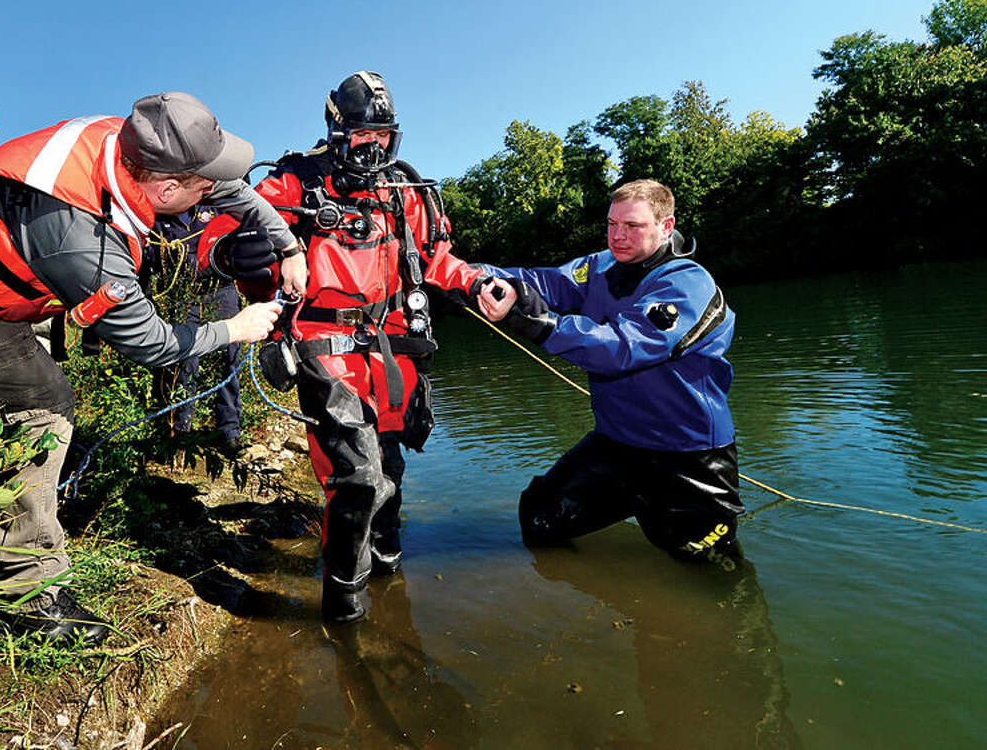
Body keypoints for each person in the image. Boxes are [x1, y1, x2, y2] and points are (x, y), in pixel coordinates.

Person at [0, 92, 304, 644]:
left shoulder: (128, 139)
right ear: (167, 187)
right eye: (201, 187)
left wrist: (287, 244)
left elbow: (230, 189)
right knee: (43, 405)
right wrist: (237, 328)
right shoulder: (83, 241)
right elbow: (151, 343)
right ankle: (30, 597)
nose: (214, 194)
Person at [201, 72, 488, 624]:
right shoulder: (293, 184)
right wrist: (254, 250)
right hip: (321, 346)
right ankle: (345, 606)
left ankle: (389, 573)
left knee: (391, 472)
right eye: (362, 135)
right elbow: (214, 244)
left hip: (392, 351)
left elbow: (434, 259)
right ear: (338, 130)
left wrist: (475, 283)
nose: (374, 147)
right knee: (357, 479)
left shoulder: (405, 190)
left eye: (384, 135)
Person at [476, 179, 745, 564]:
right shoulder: (600, 266)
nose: (617, 236)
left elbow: (622, 346)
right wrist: (466, 274)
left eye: (632, 226)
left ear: (666, 227)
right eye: (611, 224)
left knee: (710, 575)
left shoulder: (688, 285)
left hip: (688, 457)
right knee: (540, 517)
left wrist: (536, 324)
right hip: (617, 444)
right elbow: (542, 281)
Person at [152, 206, 246, 457]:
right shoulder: (162, 216)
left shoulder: (218, 208)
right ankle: (178, 433)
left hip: (222, 290)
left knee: (229, 362)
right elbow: (152, 258)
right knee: (184, 363)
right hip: (185, 295)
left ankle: (229, 432)